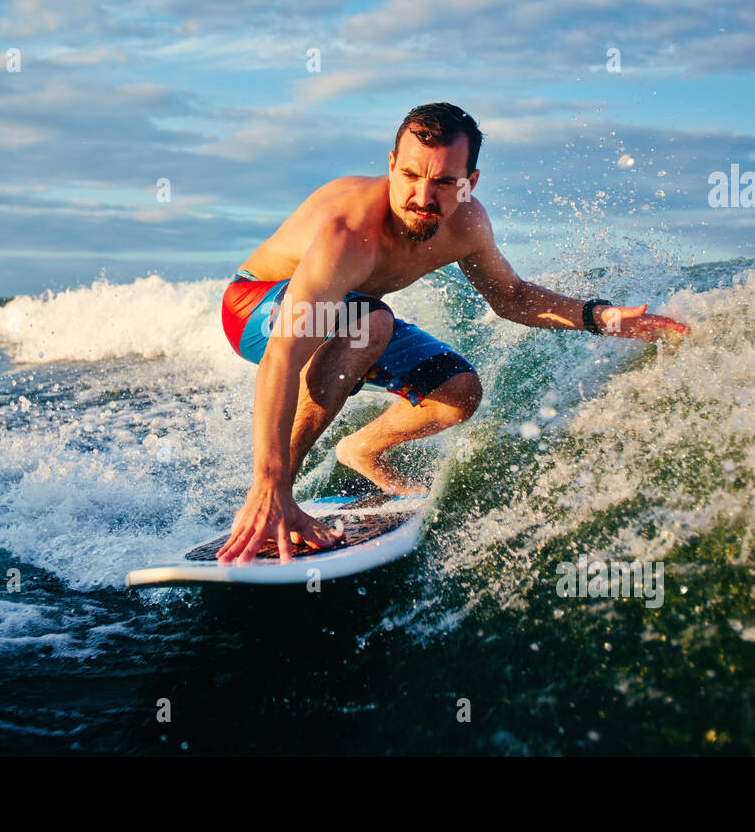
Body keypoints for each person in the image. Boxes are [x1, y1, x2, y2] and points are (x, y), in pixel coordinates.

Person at [217, 102, 688, 564]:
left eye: (443, 181)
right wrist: (270, 480)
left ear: (470, 183)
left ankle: (360, 449)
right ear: (391, 165)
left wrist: (601, 317)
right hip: (254, 305)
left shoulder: (467, 224)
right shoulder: (348, 234)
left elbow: (512, 297)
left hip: (353, 314)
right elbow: (283, 354)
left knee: (456, 393)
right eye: (410, 176)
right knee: (370, 322)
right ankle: (272, 498)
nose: (423, 197)